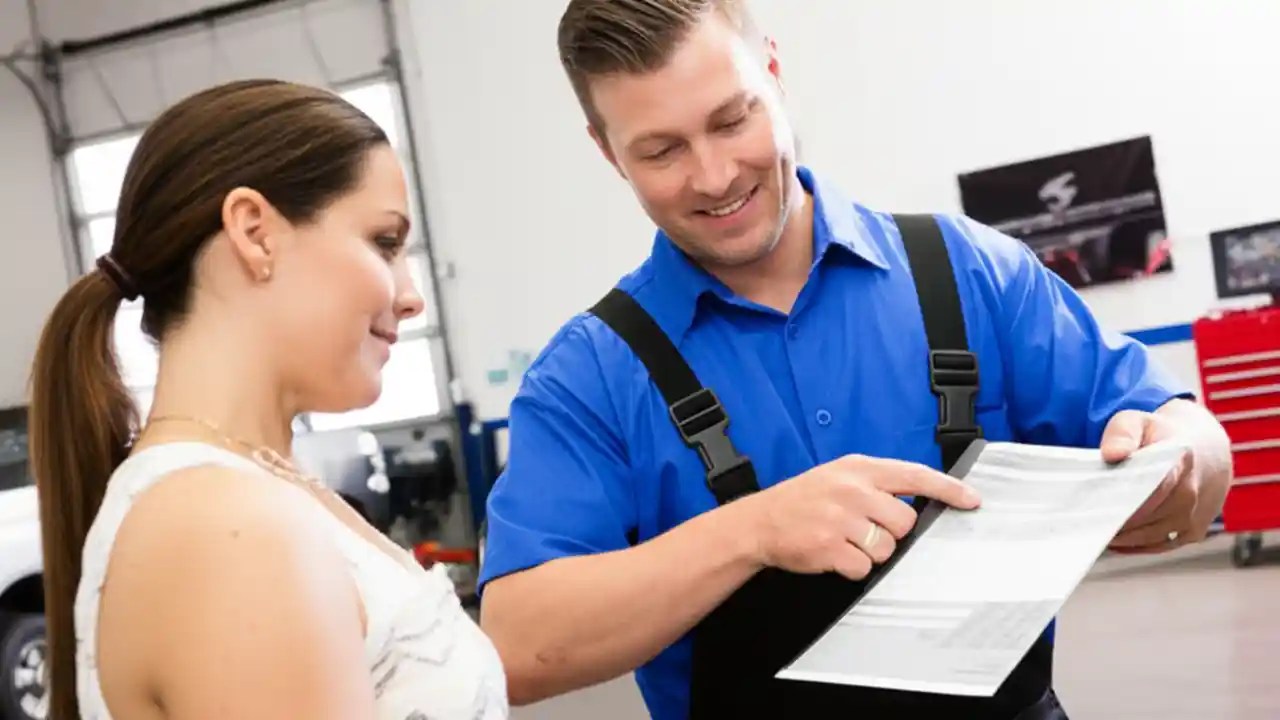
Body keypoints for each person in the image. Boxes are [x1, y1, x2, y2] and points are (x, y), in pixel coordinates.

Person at [476, 2, 1232, 719]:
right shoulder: (589, 378)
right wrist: (750, 533)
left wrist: (1183, 466)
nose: (713, 177)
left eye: (732, 119)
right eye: (662, 150)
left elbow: (1191, 435)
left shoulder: (969, 272)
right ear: (607, 151)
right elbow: (518, 644)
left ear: (772, 73)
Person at [28, 80, 508, 719]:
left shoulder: (257, 492)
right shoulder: (227, 528)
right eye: (384, 243)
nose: (411, 293)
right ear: (255, 233)